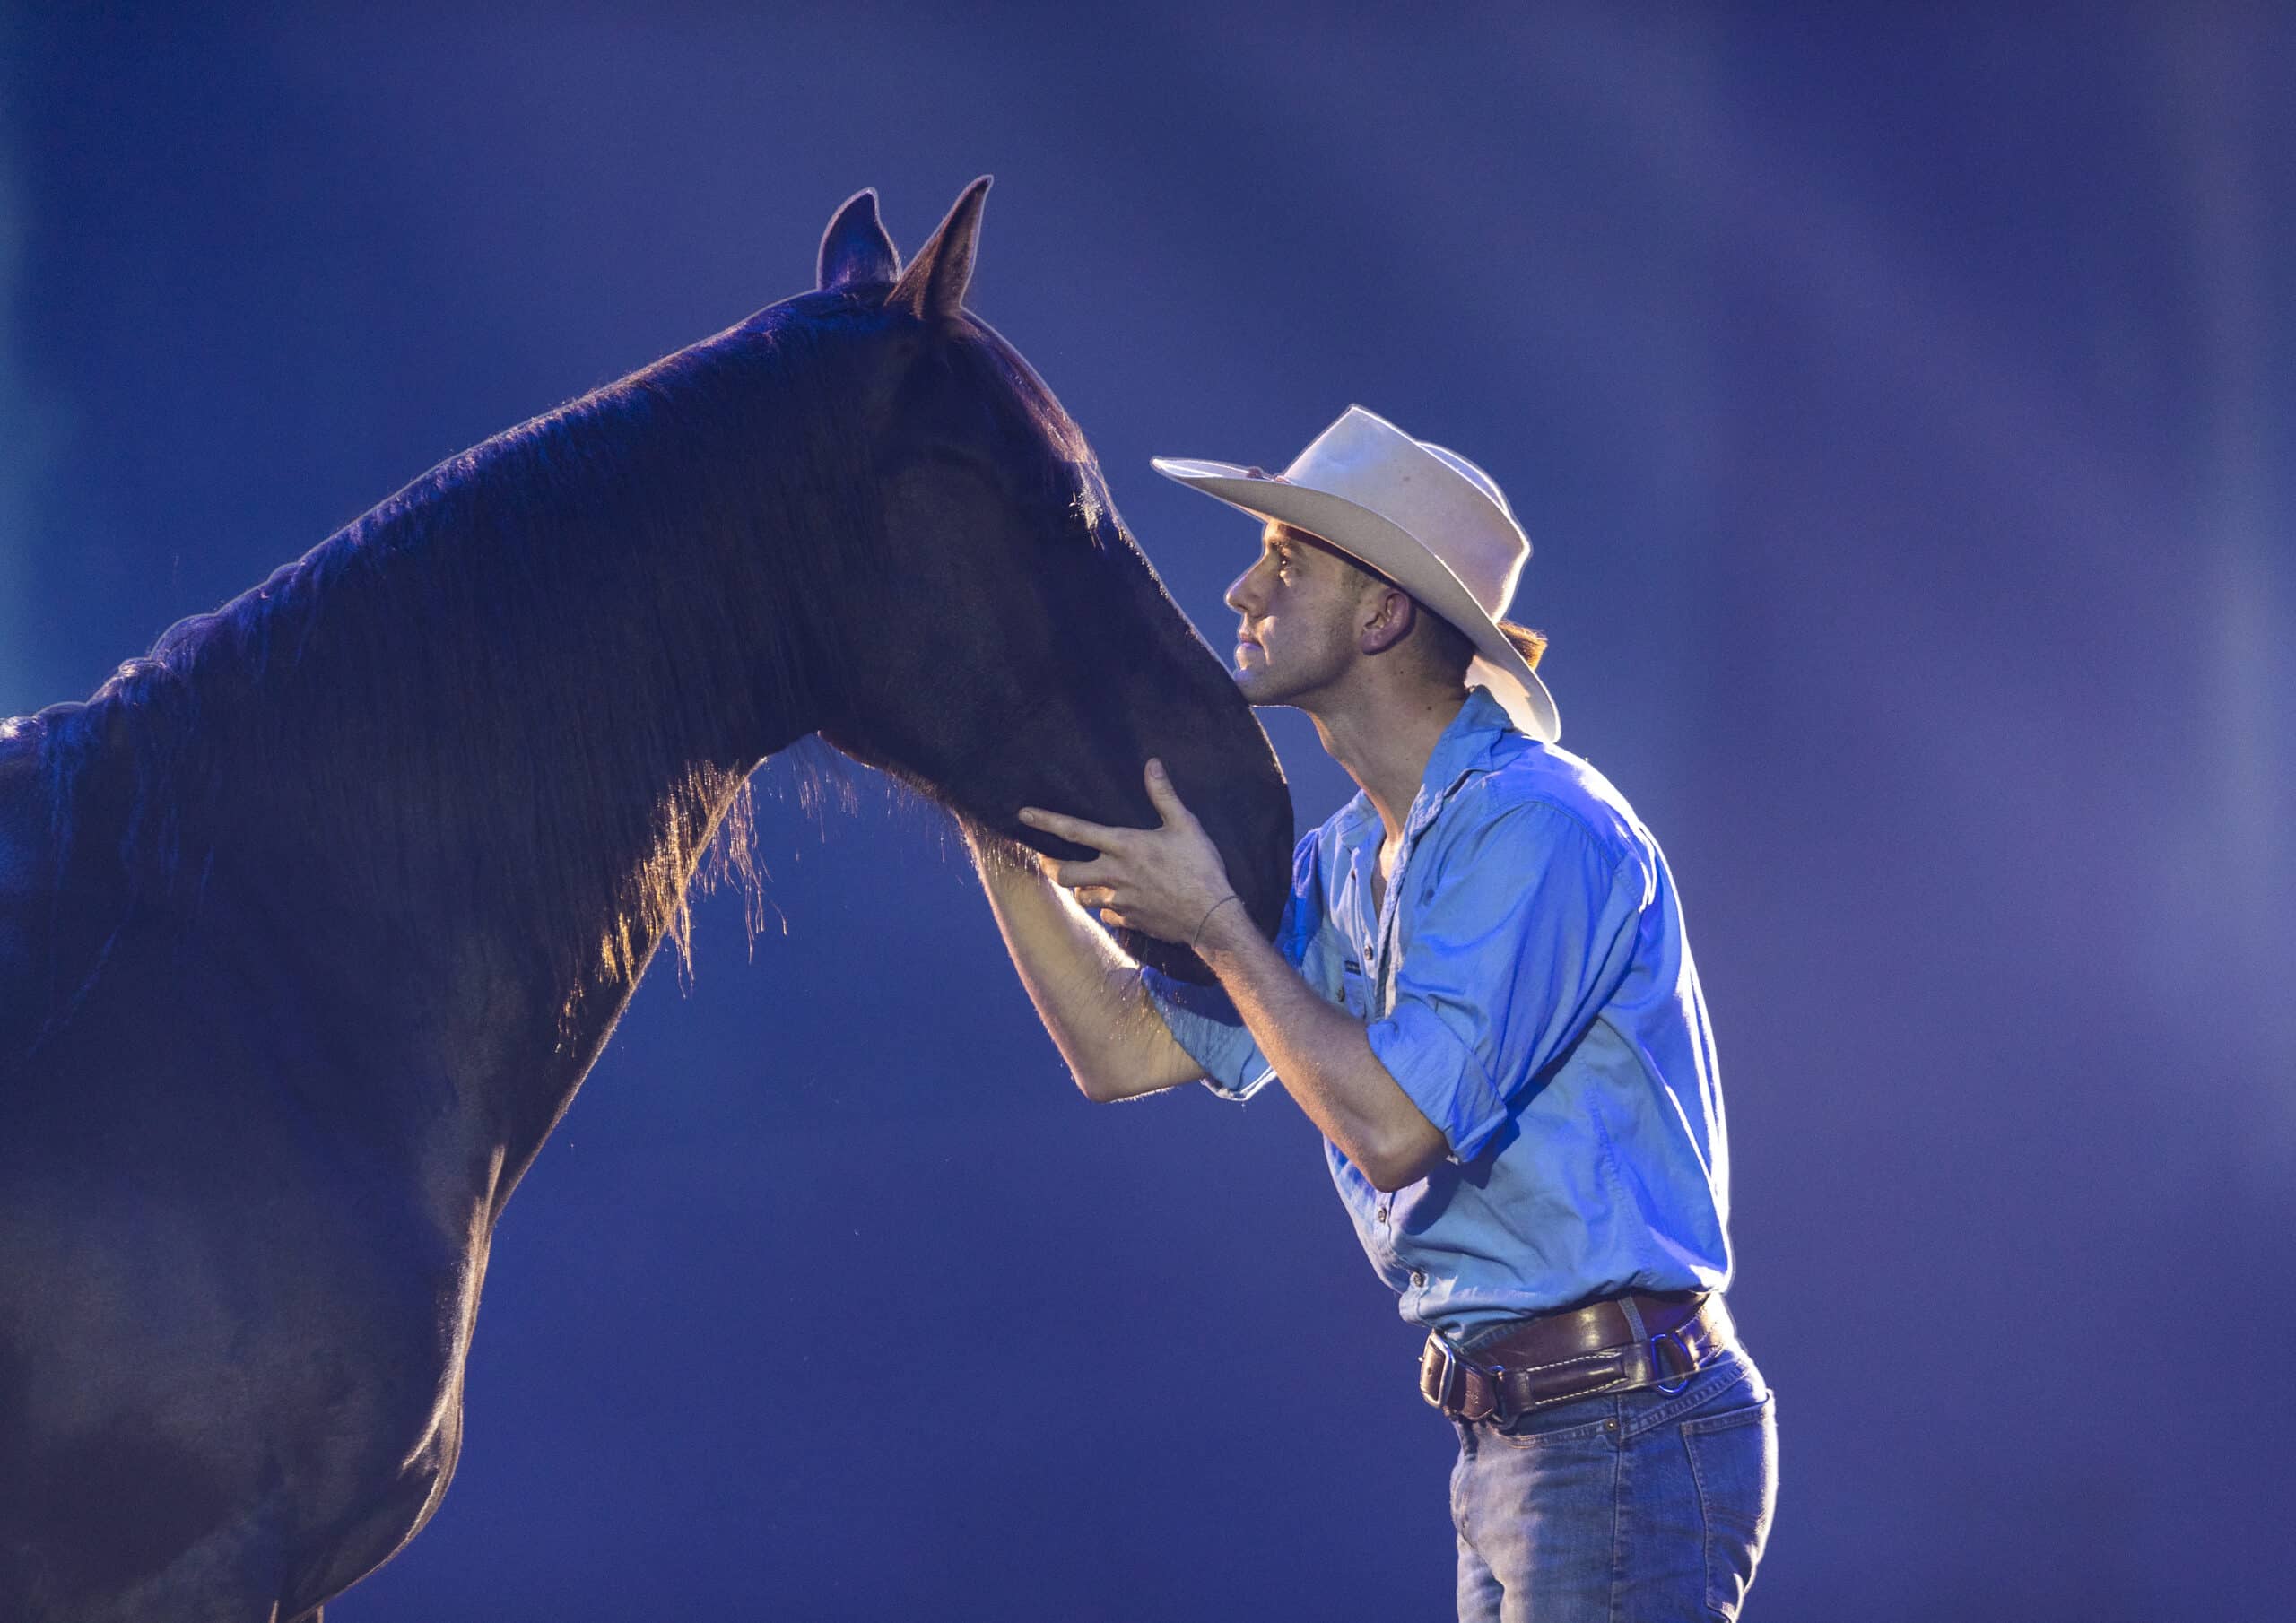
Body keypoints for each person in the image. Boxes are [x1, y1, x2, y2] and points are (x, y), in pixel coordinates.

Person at [966, 405, 1778, 1621]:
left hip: (1619, 1428)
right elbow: (1119, 1045)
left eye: (1287, 560)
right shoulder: (1352, 858)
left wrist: (1218, 922)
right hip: (1531, 1436)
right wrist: (978, 789)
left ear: (1386, 611)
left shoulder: (1539, 830)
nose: (1242, 588)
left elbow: (1394, 1127)